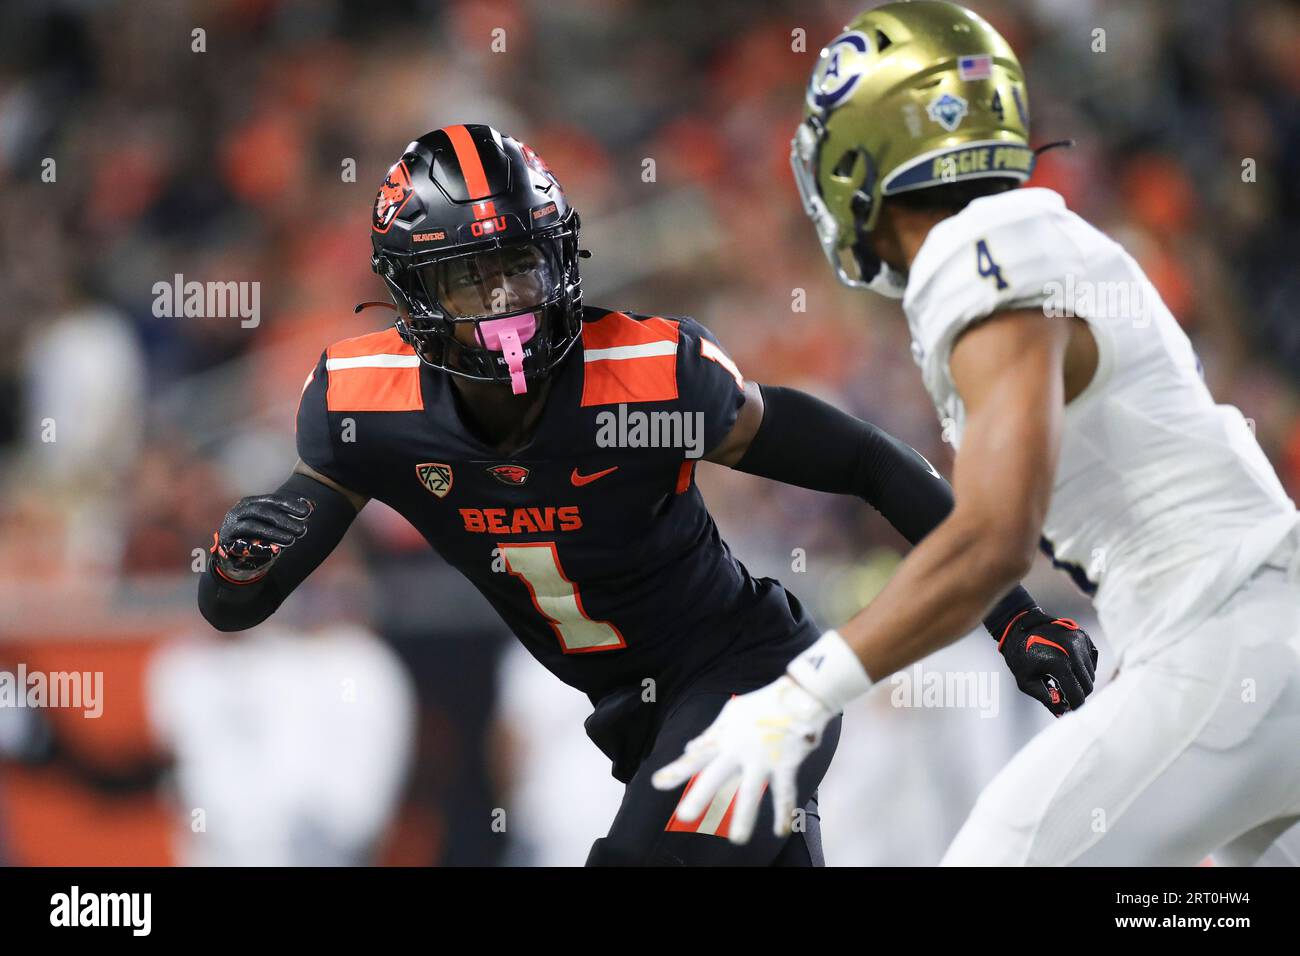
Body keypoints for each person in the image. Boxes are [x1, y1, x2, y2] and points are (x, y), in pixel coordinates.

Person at [198, 123, 1091, 865]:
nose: (508, 299)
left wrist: (1013, 617)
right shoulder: (370, 409)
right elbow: (235, 601)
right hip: (639, 718)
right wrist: (239, 571)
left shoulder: (645, 379)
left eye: (522, 263)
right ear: (414, 293)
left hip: (750, 678)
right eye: (474, 276)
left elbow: (867, 462)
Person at [654, 1, 1300, 865]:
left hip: (1223, 636)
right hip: (1250, 637)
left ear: (865, 149)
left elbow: (993, 537)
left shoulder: (983, 247)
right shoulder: (1029, 236)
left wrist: (802, 694)